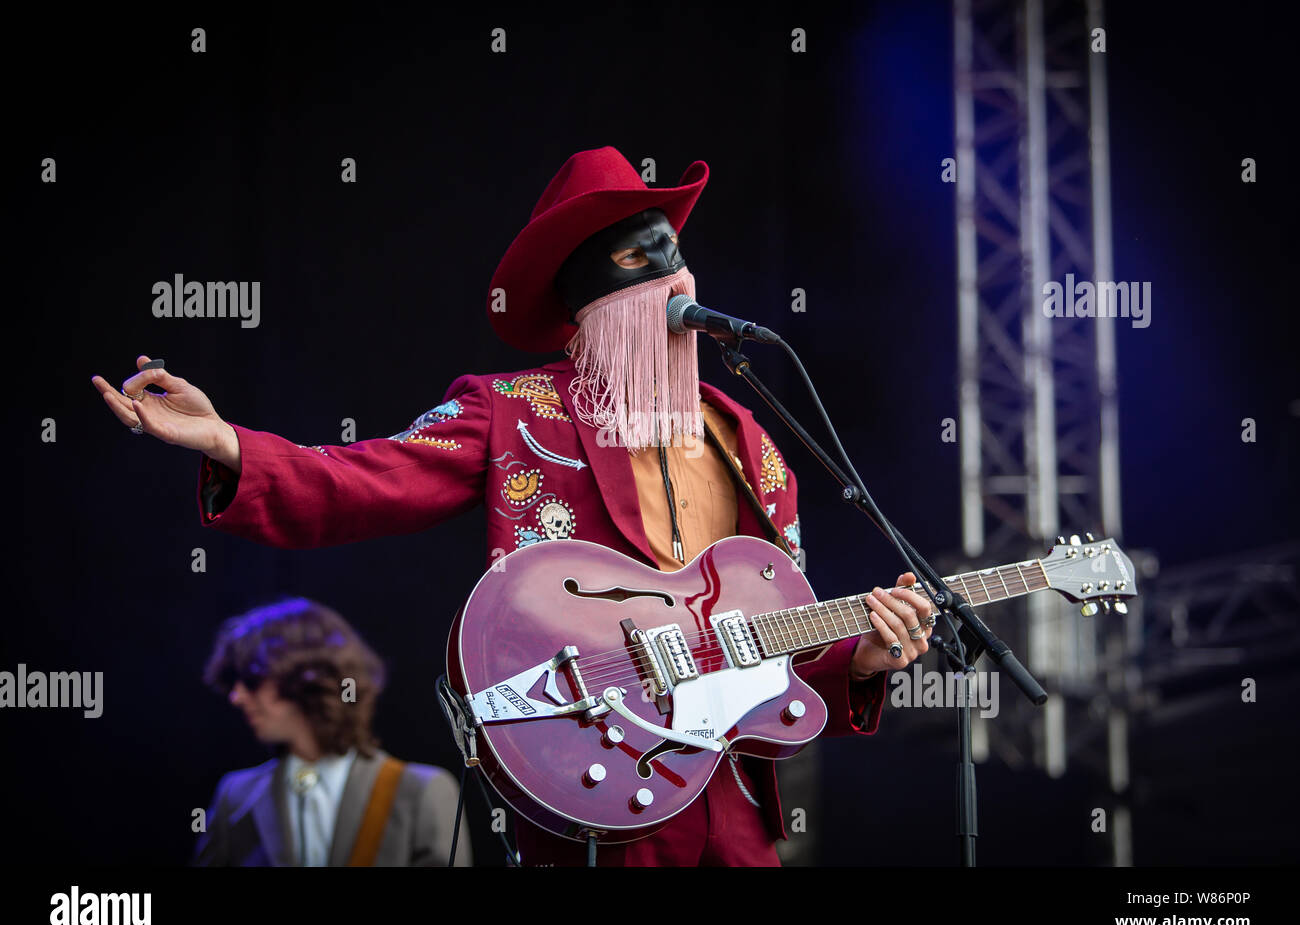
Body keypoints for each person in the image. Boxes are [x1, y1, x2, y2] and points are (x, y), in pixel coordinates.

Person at [93, 145, 935, 866]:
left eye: (677, 254)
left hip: (735, 807)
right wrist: (229, 443)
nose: (678, 278)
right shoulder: (517, 410)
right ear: (592, 308)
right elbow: (368, 478)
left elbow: (773, 638)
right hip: (597, 776)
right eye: (645, 264)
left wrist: (859, 658)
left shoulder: (744, 436)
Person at [191, 596, 471, 866]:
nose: (236, 697)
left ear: (305, 678)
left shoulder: (422, 791)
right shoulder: (236, 796)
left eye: (250, 680)